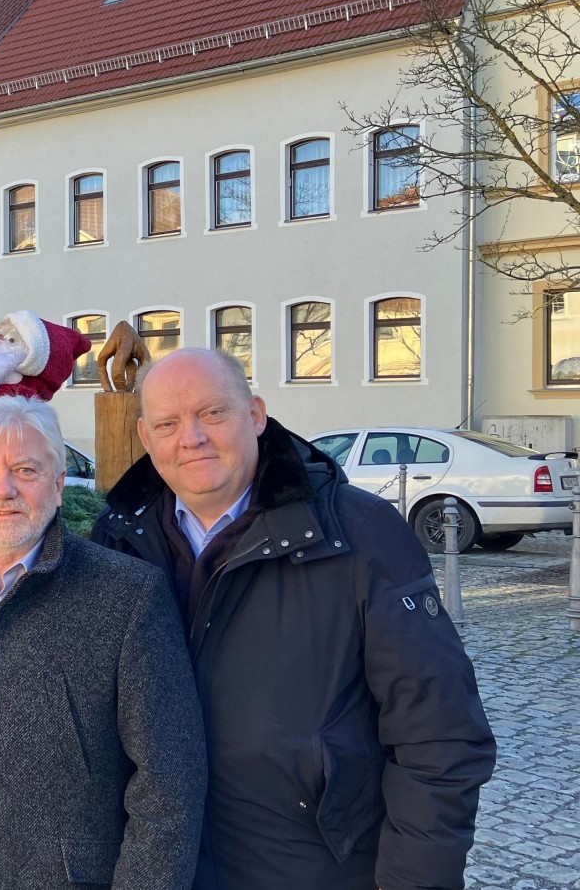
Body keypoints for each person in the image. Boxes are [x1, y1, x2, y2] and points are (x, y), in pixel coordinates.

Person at [92, 347, 497, 890]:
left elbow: (439, 736)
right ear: (145, 437)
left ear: (256, 415)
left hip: (315, 866)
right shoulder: (117, 544)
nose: (191, 438)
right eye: (168, 423)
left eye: (213, 413)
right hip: (165, 869)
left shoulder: (359, 535)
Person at [0, 395, 206, 890]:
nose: (2, 489)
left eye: (25, 469)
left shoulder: (127, 595)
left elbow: (168, 782)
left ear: (59, 482)